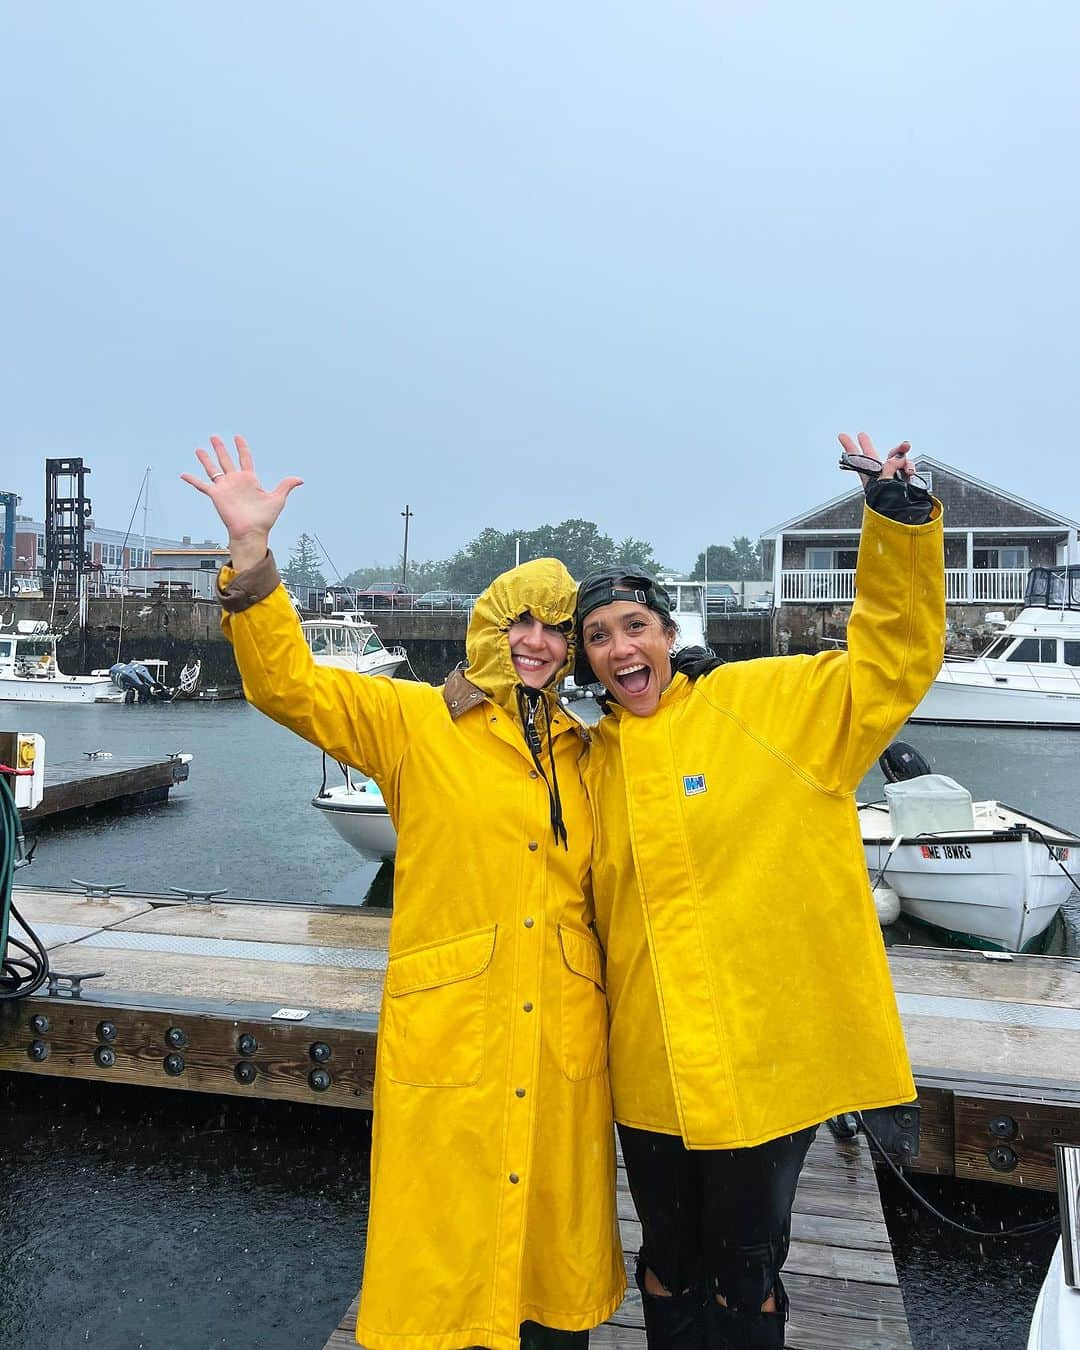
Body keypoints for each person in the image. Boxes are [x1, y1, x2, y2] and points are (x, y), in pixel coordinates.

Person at [181, 435, 624, 1350]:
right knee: (442, 1280)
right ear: (488, 629)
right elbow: (287, 685)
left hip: (561, 1045)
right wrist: (252, 558)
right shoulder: (414, 724)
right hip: (452, 1035)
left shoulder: (591, 754)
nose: (537, 643)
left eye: (554, 626)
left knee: (552, 1278)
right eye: (520, 623)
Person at [573, 433, 946, 1350]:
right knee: (665, 1261)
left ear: (669, 637)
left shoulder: (770, 706)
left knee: (746, 1270)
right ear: (587, 664)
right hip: (650, 1074)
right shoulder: (587, 764)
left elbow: (890, 663)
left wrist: (895, 523)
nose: (621, 647)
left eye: (635, 627)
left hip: (766, 1067)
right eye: (598, 637)